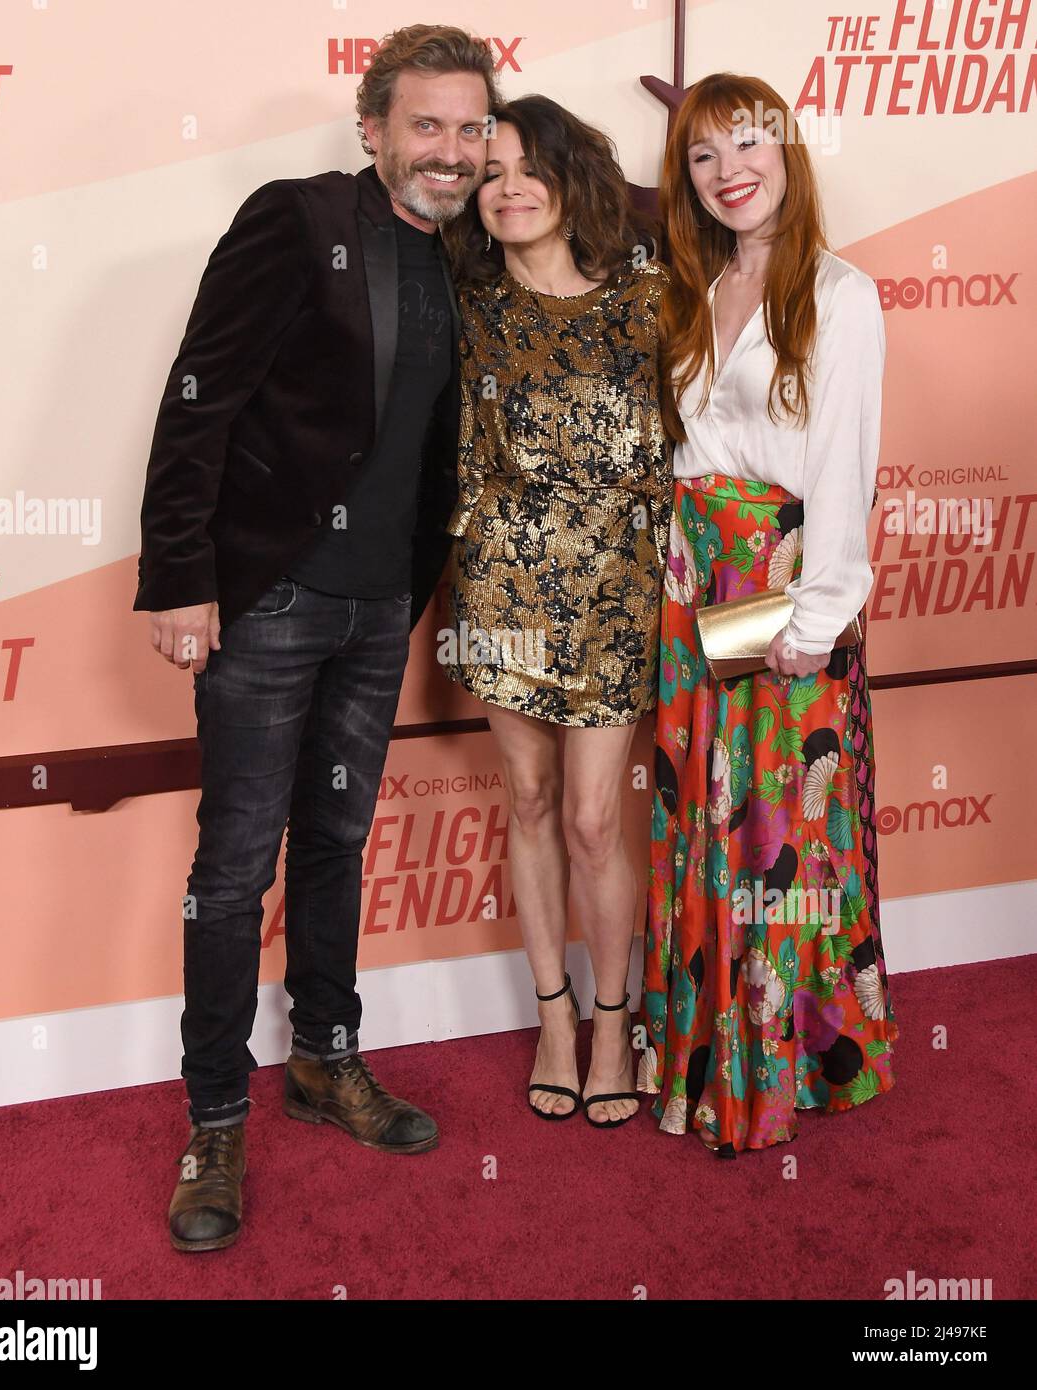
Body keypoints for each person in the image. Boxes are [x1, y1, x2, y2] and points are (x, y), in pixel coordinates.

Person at [133, 25, 498, 1251]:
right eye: (427, 125)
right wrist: (178, 580)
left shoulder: (469, 255)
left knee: (336, 837)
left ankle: (325, 1057)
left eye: (469, 127)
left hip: (379, 603)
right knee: (234, 867)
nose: (449, 150)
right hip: (273, 600)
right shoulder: (295, 221)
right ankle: (215, 1116)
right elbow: (199, 396)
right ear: (375, 129)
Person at [639, 72, 898, 1157]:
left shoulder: (837, 294)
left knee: (774, 834)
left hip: (780, 589)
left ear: (787, 153)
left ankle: (778, 1064)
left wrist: (817, 617)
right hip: (694, 587)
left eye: (748, 143)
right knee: (702, 817)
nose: (727, 169)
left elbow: (839, 468)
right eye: (702, 155)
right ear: (685, 178)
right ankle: (701, 1053)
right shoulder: (693, 287)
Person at [440, 96, 672, 1128]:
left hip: (618, 588)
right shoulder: (460, 300)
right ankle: (553, 1018)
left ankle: (615, 1020)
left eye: (528, 167)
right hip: (497, 583)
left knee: (589, 817)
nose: (508, 187)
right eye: (490, 173)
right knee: (527, 802)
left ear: (574, 177)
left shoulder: (653, 297)